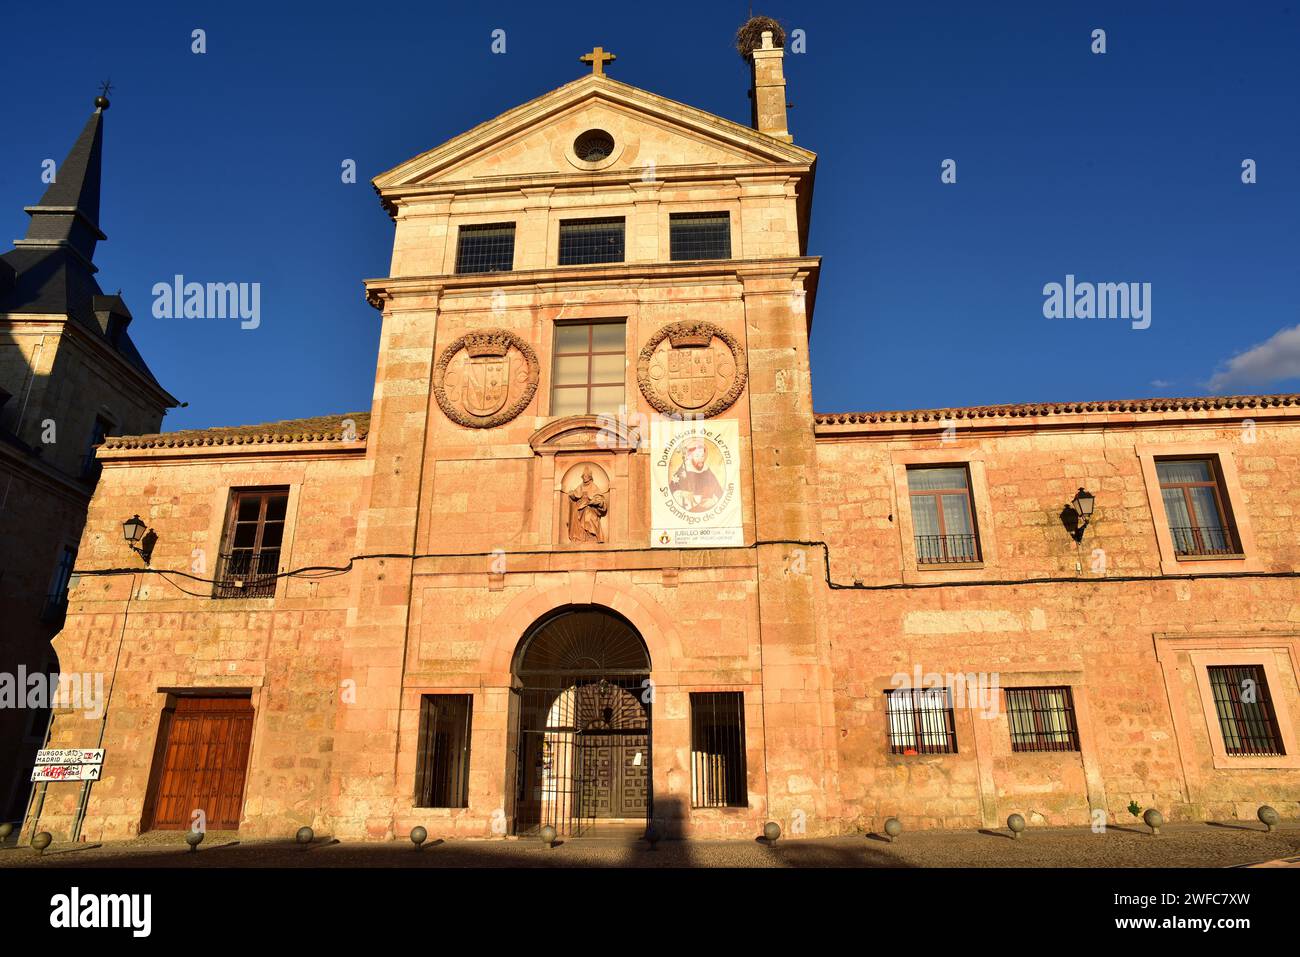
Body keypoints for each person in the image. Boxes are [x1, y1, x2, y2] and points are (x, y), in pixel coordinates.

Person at [670, 437, 723, 512]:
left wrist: (713, 502)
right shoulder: (683, 471)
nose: (701, 460)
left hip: (707, 512)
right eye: (697, 456)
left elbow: (719, 492)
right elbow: (672, 491)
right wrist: (682, 494)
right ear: (691, 457)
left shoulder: (706, 470)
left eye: (702, 456)